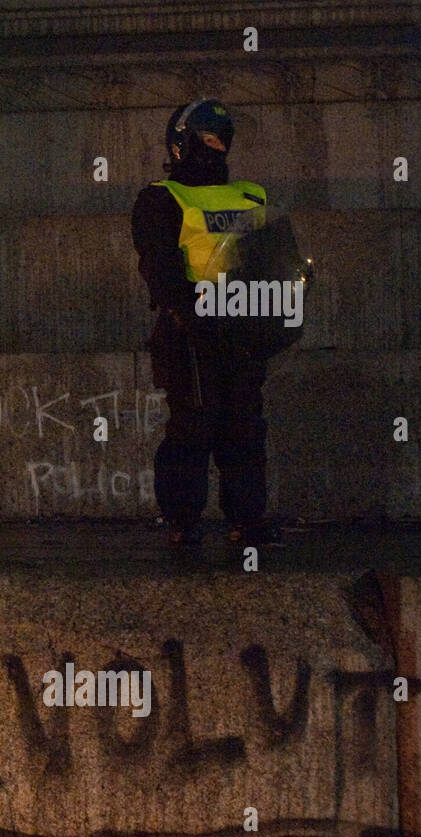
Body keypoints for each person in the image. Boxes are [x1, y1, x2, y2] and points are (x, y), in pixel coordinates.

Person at [131, 98, 282, 549]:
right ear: (181, 144)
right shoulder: (161, 198)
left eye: (221, 141)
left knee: (245, 427)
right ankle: (183, 521)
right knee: (193, 426)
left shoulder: (250, 196)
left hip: (243, 328)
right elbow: (158, 266)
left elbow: (269, 257)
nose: (215, 149)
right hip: (189, 331)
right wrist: (186, 310)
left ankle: (247, 521)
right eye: (206, 140)